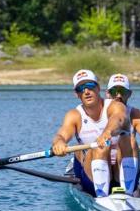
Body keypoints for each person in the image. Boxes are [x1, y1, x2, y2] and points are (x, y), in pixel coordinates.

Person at [51, 69, 129, 198]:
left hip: (117, 170)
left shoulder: (115, 106)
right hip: (90, 175)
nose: (86, 91)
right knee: (99, 148)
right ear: (76, 94)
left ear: (98, 88)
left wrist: (107, 132)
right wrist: (59, 143)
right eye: (80, 88)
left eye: (90, 86)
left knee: (129, 140)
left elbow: (118, 118)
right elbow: (61, 135)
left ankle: (128, 189)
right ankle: (101, 195)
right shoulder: (74, 115)